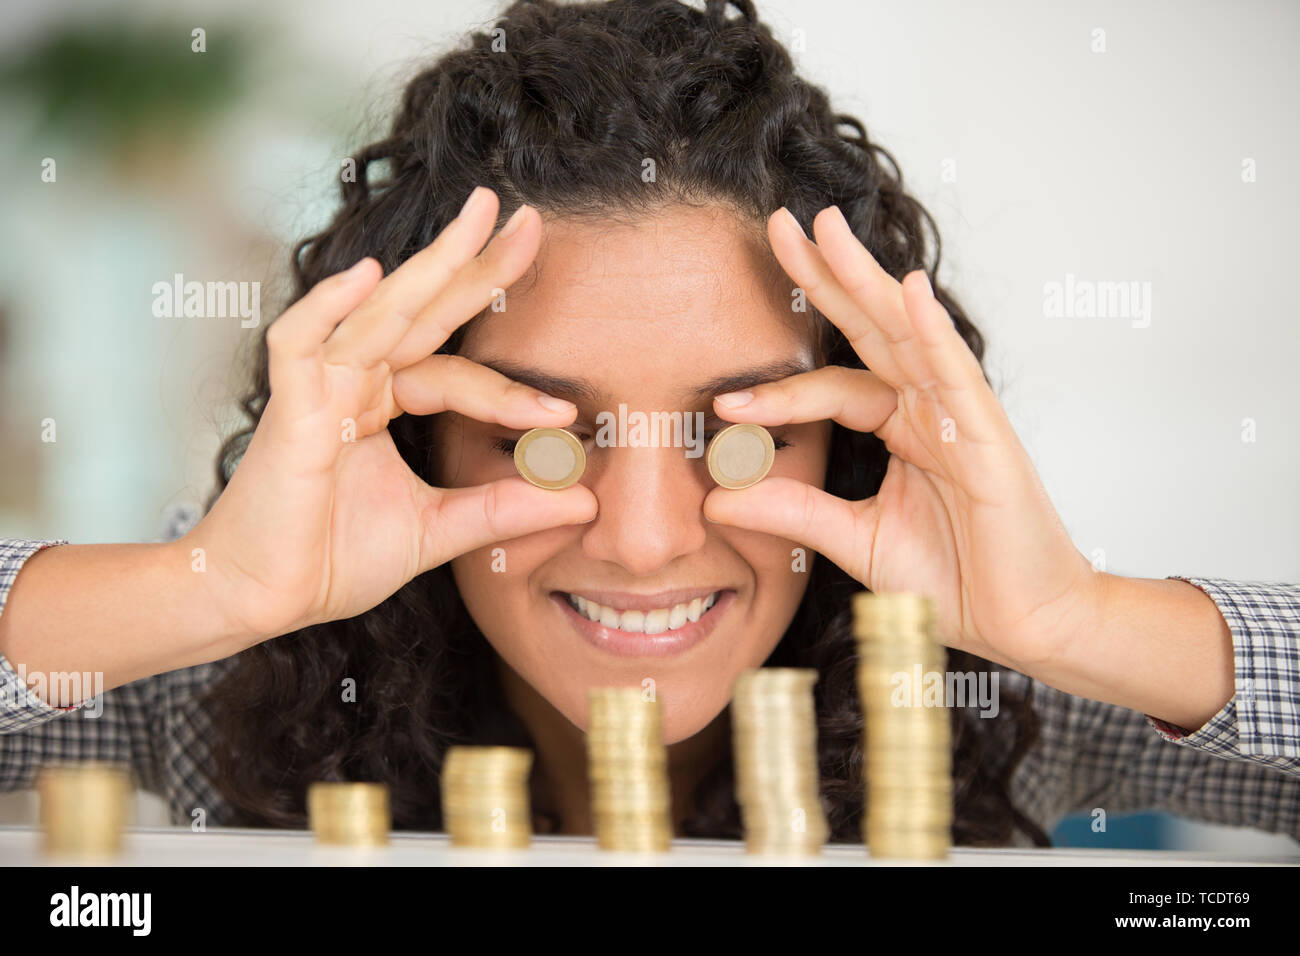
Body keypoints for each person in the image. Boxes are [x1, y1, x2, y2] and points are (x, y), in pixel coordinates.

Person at [1, 0, 1297, 847]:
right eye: (538, 434)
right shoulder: (245, 649)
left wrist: (1078, 622)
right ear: (417, 437)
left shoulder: (983, 678)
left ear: (850, 438)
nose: (640, 539)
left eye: (741, 432)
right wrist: (214, 584)